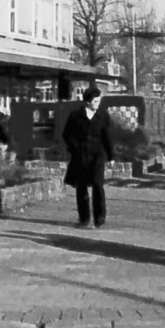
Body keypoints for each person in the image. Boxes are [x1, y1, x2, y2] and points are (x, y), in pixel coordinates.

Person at [63, 86, 114, 227]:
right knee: (82, 187)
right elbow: (67, 135)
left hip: (98, 155)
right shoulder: (75, 116)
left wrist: (111, 156)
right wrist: (75, 148)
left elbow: (107, 137)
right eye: (96, 101)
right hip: (80, 156)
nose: (98, 103)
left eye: (99, 100)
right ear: (87, 101)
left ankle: (100, 217)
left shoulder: (103, 116)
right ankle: (84, 218)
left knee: (98, 185)